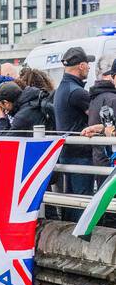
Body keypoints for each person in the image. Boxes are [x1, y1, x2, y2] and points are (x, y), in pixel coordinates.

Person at [54, 46, 95, 196]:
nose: (89, 68)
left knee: (71, 199)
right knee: (82, 199)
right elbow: (96, 118)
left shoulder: (62, 88)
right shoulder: (77, 92)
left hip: (68, 152)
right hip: (80, 154)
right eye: (87, 64)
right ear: (81, 66)